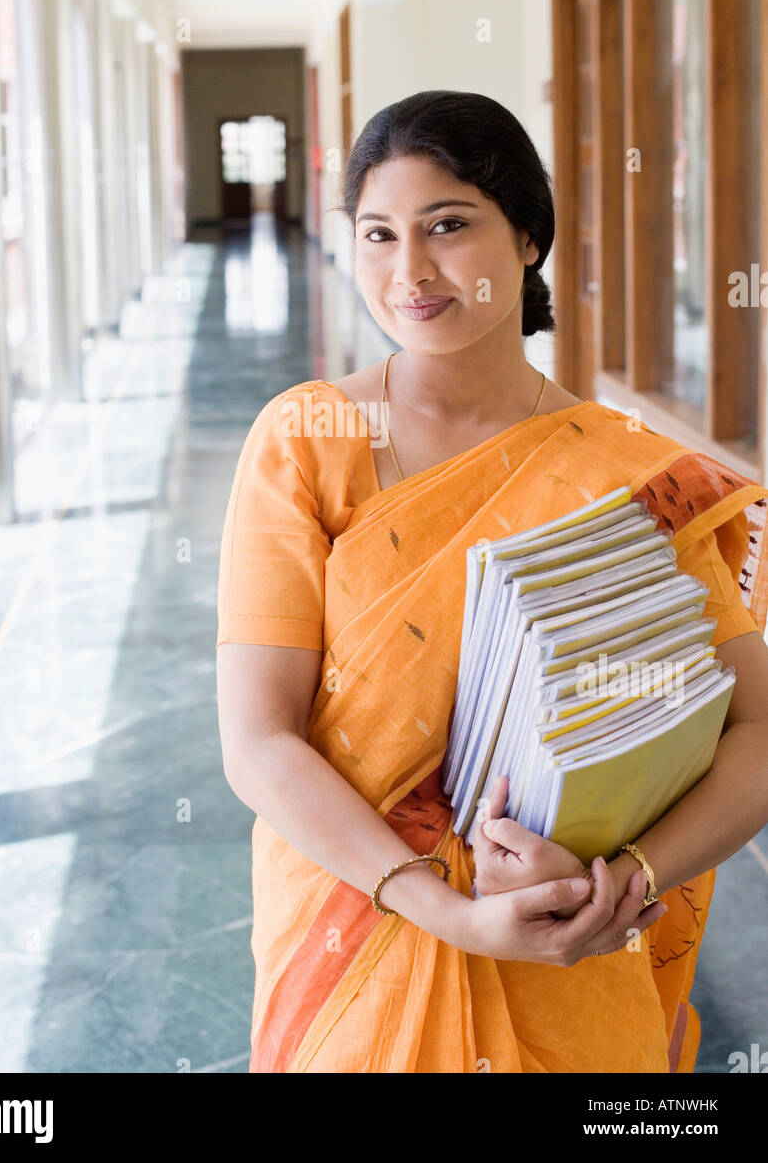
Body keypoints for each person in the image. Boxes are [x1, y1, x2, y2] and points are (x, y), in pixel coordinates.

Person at [216, 90, 768, 1073]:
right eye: (377, 234)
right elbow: (258, 740)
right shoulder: (307, 442)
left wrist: (626, 882)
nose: (409, 271)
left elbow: (755, 729)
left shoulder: (626, 474)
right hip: (360, 924)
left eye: (447, 226)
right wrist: (442, 907)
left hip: (568, 932)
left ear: (526, 237)